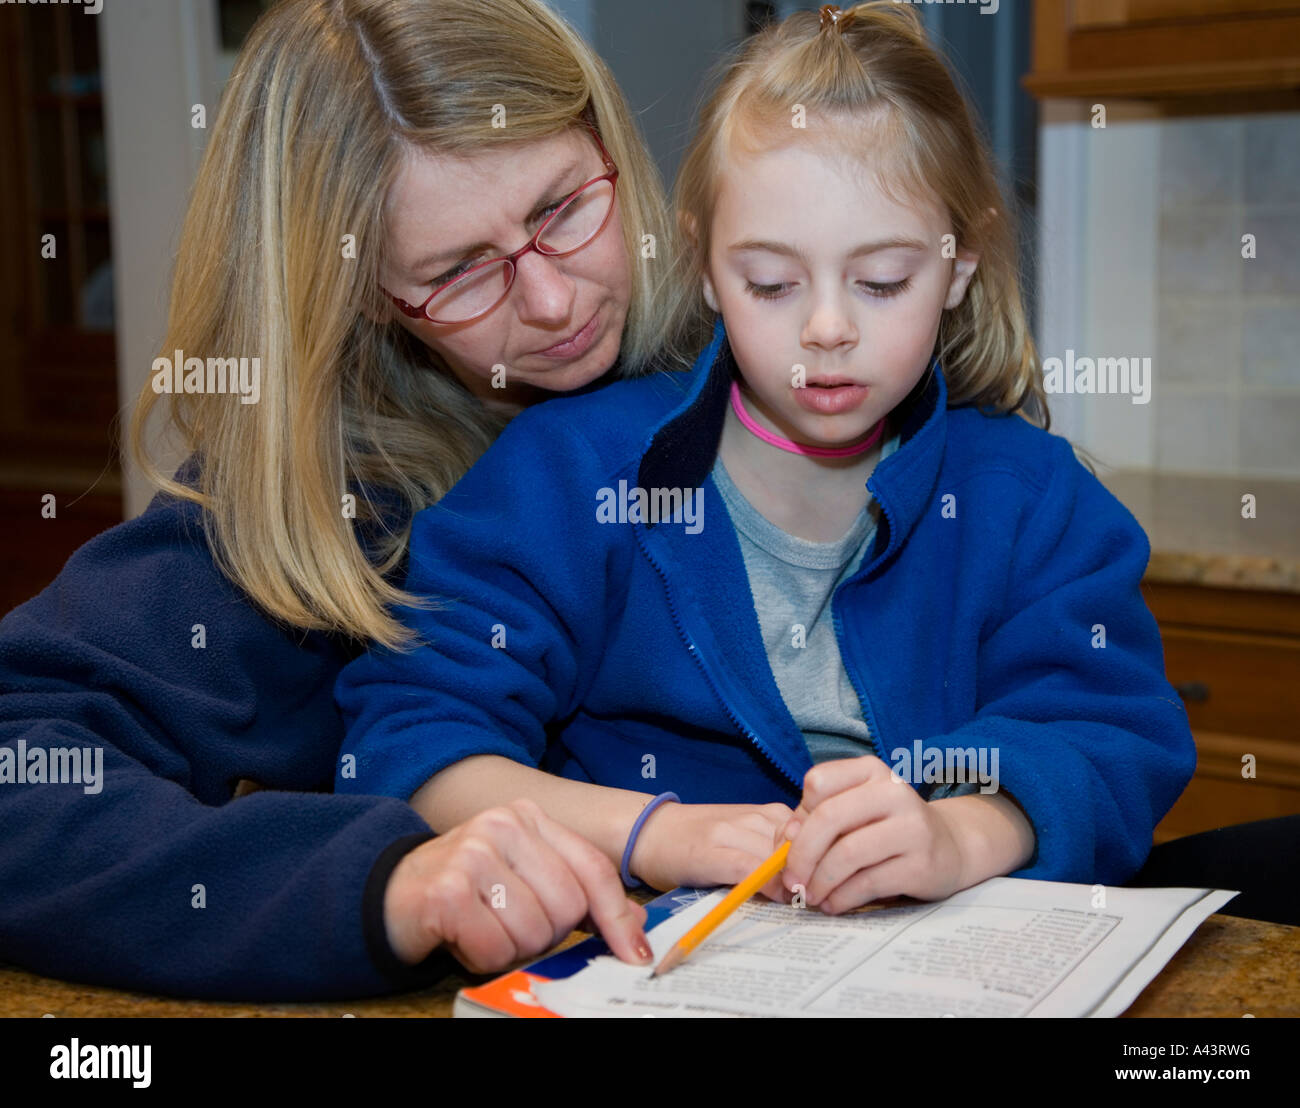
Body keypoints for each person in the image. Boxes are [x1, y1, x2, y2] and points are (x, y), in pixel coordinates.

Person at [336, 2, 1197, 913]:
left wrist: (960, 833)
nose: (827, 329)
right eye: (773, 283)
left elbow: (1114, 736)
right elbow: (408, 745)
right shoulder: (567, 473)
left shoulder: (1033, 502)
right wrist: (656, 834)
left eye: (882, 281)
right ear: (705, 266)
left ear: (959, 265)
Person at [0, 0, 683, 1000]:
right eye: (459, 273)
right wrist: (384, 881)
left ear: (604, 137)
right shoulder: (329, 505)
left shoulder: (770, 335)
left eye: (559, 210)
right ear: (361, 297)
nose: (552, 302)